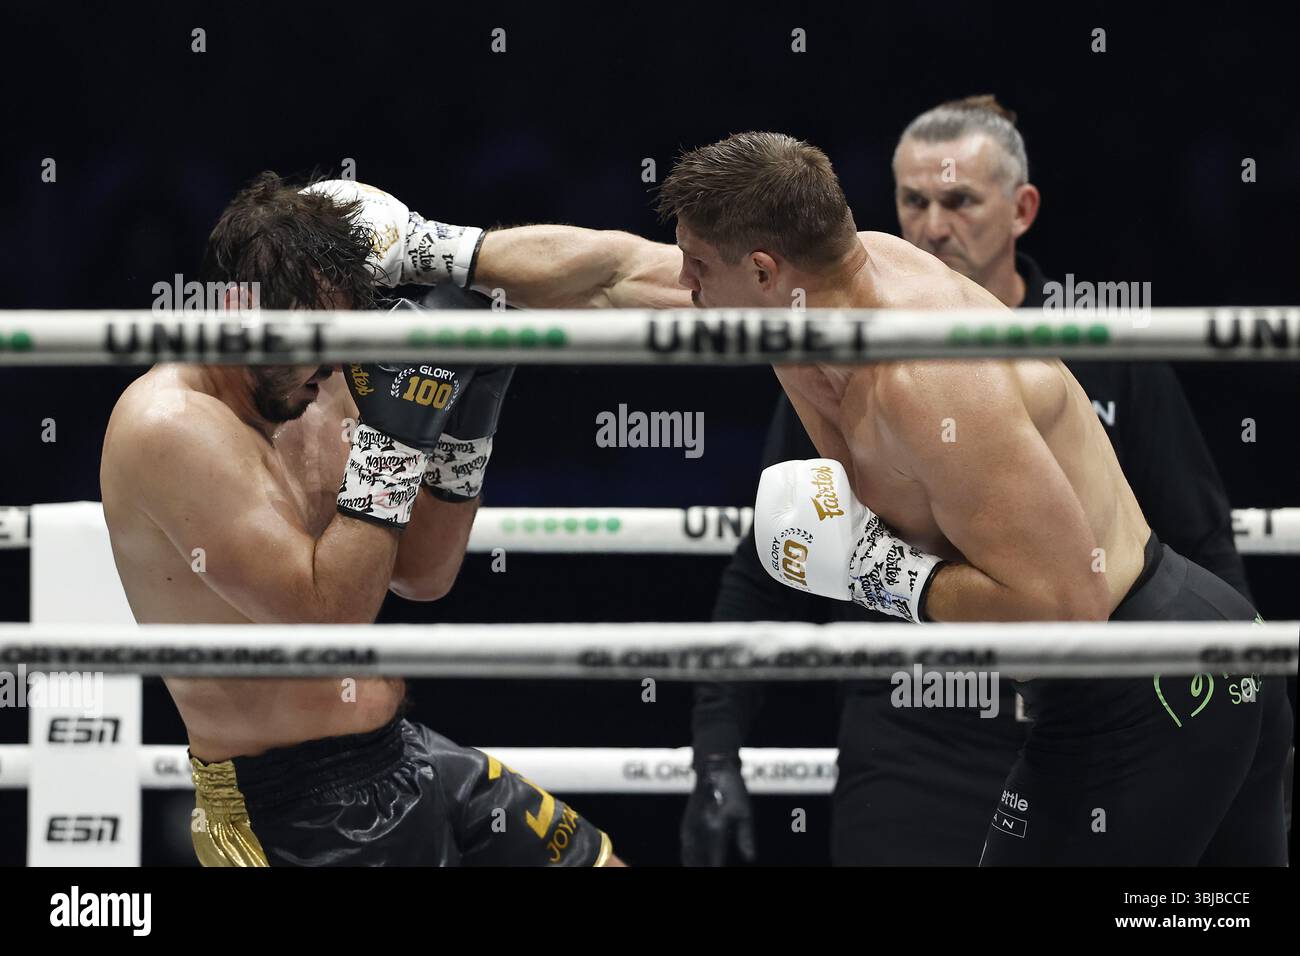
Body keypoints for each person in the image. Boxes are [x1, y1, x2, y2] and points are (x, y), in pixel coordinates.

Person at [386, 131, 1289, 864]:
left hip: (1149, 680)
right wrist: (433, 248)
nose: (685, 286)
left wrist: (877, 573)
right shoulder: (806, 294)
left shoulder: (928, 383)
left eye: (701, 267)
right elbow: (612, 271)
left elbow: (1067, 606)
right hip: (1158, 669)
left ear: (769, 270)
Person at [683, 96, 1264, 866]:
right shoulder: (828, 312)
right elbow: (631, 275)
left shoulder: (954, 371)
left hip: (1134, 679)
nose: (932, 224)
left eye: (957, 200)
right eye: (914, 201)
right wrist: (470, 254)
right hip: (952, 719)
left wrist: (874, 571)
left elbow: (1118, 580)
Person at [100, 173, 619, 866]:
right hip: (293, 817)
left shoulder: (320, 384)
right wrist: (398, 438)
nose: (334, 363)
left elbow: (423, 576)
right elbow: (328, 619)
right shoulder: (169, 426)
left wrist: (467, 424)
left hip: (405, 754)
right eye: (316, 338)